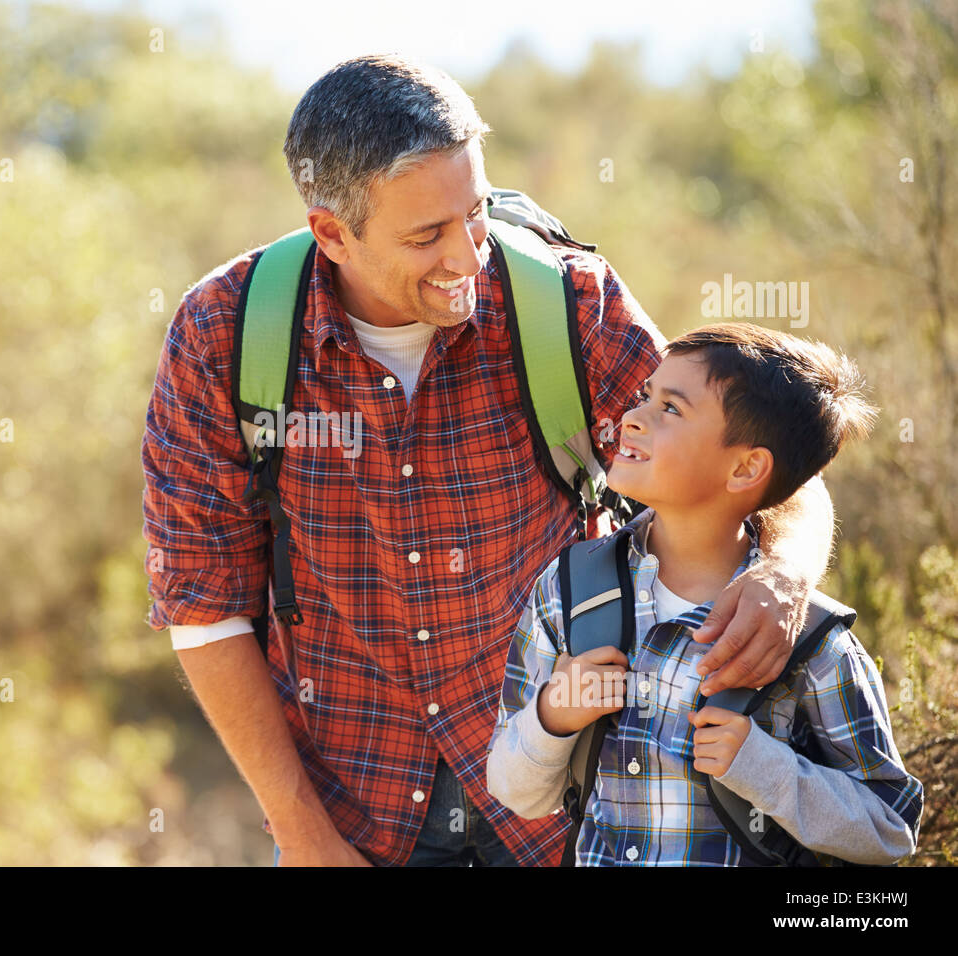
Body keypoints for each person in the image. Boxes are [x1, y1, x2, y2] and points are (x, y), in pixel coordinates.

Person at [141, 54, 836, 867]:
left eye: (473, 213)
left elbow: (748, 459)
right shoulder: (222, 334)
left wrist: (785, 571)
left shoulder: (566, 300)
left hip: (571, 802)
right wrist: (301, 831)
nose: (468, 258)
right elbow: (203, 604)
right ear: (331, 232)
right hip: (352, 813)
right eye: (426, 235)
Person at [486, 323, 923, 865]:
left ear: (745, 468)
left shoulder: (808, 642)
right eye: (646, 395)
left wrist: (767, 769)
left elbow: (889, 830)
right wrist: (552, 715)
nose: (632, 417)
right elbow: (513, 789)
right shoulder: (569, 590)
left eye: (671, 409)